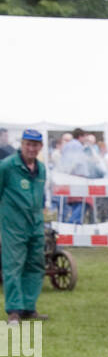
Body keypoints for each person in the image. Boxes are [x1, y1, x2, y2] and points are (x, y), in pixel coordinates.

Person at [0, 129, 48, 322]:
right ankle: (14, 310)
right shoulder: (7, 166)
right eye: (27, 144)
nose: (31, 148)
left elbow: (40, 196)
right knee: (13, 266)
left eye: (34, 145)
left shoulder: (41, 168)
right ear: (21, 144)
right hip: (13, 225)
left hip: (35, 224)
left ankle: (29, 307)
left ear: (40, 147)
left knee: (35, 265)